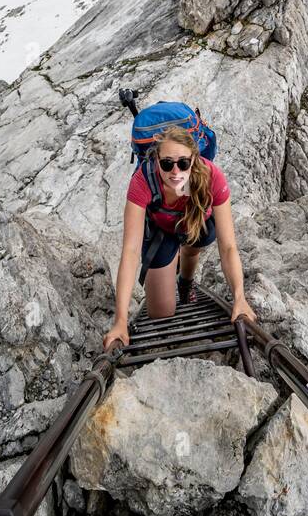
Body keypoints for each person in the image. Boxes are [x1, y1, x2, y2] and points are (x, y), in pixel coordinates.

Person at [102, 124, 256, 349]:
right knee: (160, 311)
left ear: (193, 160)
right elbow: (131, 251)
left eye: (183, 163)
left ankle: (185, 280)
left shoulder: (212, 177)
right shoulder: (143, 181)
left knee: (198, 238)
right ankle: (173, 258)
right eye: (167, 164)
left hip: (196, 225)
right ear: (156, 160)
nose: (176, 172)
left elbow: (228, 246)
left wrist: (239, 298)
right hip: (161, 231)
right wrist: (120, 321)